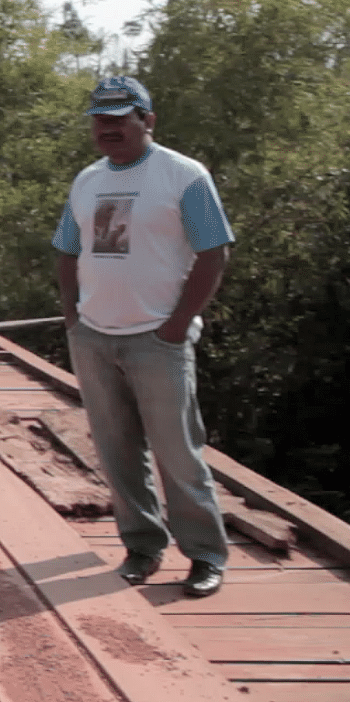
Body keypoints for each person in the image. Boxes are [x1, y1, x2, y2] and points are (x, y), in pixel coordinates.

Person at [53, 75, 233, 599]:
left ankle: (203, 555)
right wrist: (73, 319)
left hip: (157, 340)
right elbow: (67, 250)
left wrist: (176, 325)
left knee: (178, 452)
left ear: (146, 120)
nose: (108, 128)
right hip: (95, 337)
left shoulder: (183, 176)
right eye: (99, 119)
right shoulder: (87, 181)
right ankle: (141, 546)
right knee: (115, 450)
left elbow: (214, 253)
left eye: (120, 118)